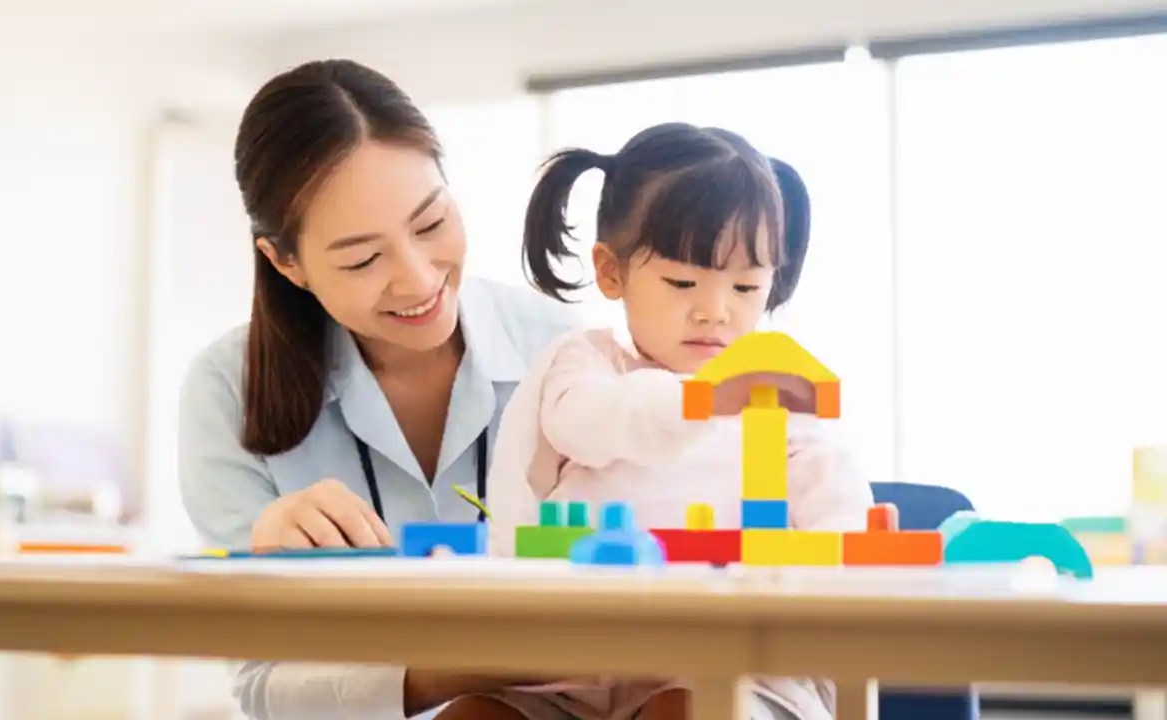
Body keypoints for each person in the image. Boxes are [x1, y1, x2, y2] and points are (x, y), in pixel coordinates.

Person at [177, 58, 582, 720]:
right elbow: (264, 684)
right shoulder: (227, 392)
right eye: (363, 259)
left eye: (430, 224)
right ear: (287, 263)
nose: (419, 280)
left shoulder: (567, 355)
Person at [462, 123, 875, 720]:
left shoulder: (782, 396)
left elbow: (844, 531)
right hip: (572, 674)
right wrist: (697, 401)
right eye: (683, 282)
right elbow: (590, 422)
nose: (715, 310)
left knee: (684, 709)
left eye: (746, 286)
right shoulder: (585, 364)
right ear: (612, 272)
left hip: (735, 668)